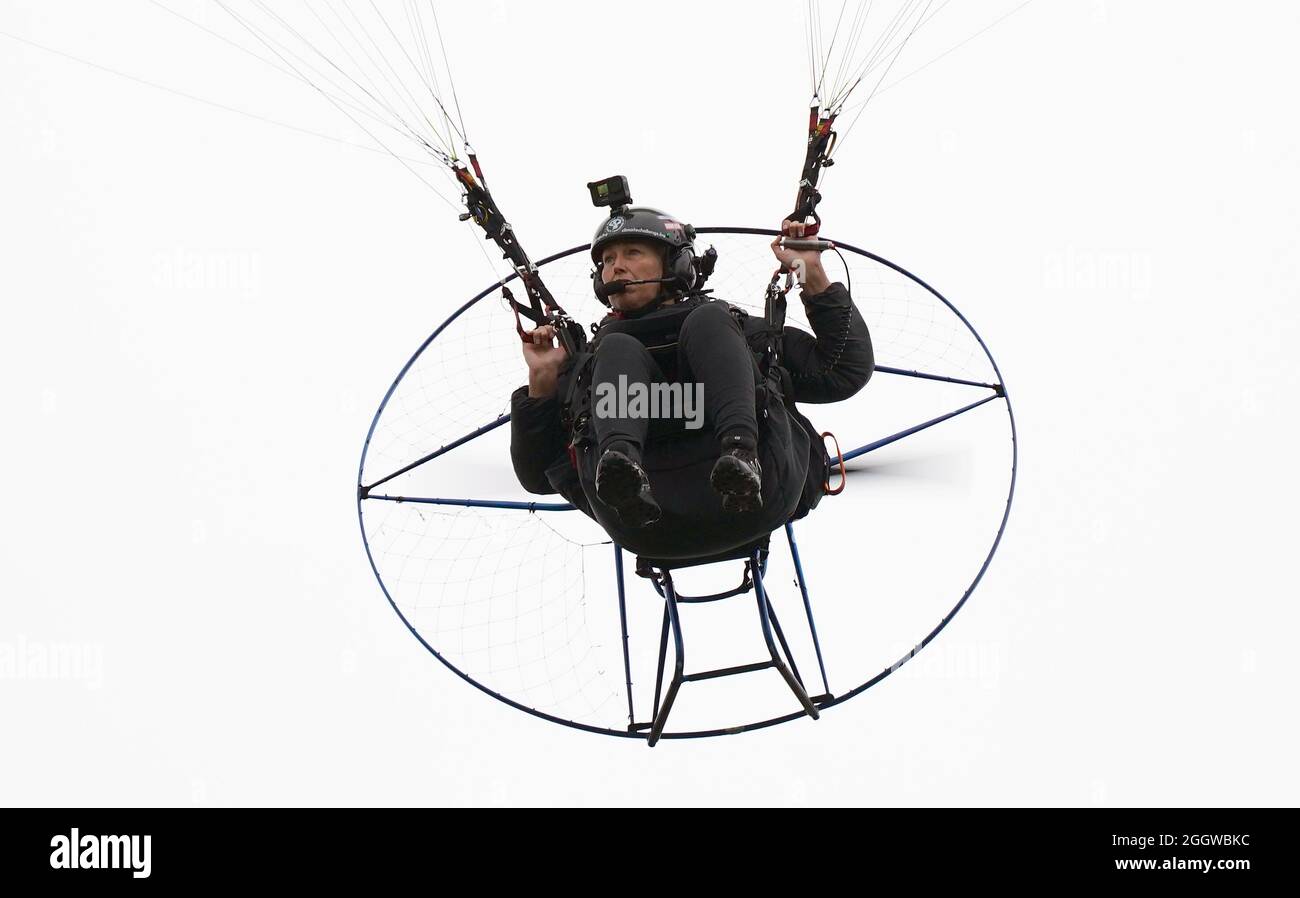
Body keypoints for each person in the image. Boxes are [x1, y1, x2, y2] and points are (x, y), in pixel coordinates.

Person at [510, 206, 874, 561]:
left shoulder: (734, 334)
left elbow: (842, 372)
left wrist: (811, 273)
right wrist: (542, 379)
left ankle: (741, 457)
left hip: (758, 493)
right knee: (618, 346)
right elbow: (536, 475)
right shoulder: (595, 363)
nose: (614, 267)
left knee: (707, 321)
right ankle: (624, 475)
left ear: (675, 264)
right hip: (643, 521)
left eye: (632, 253)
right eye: (606, 260)